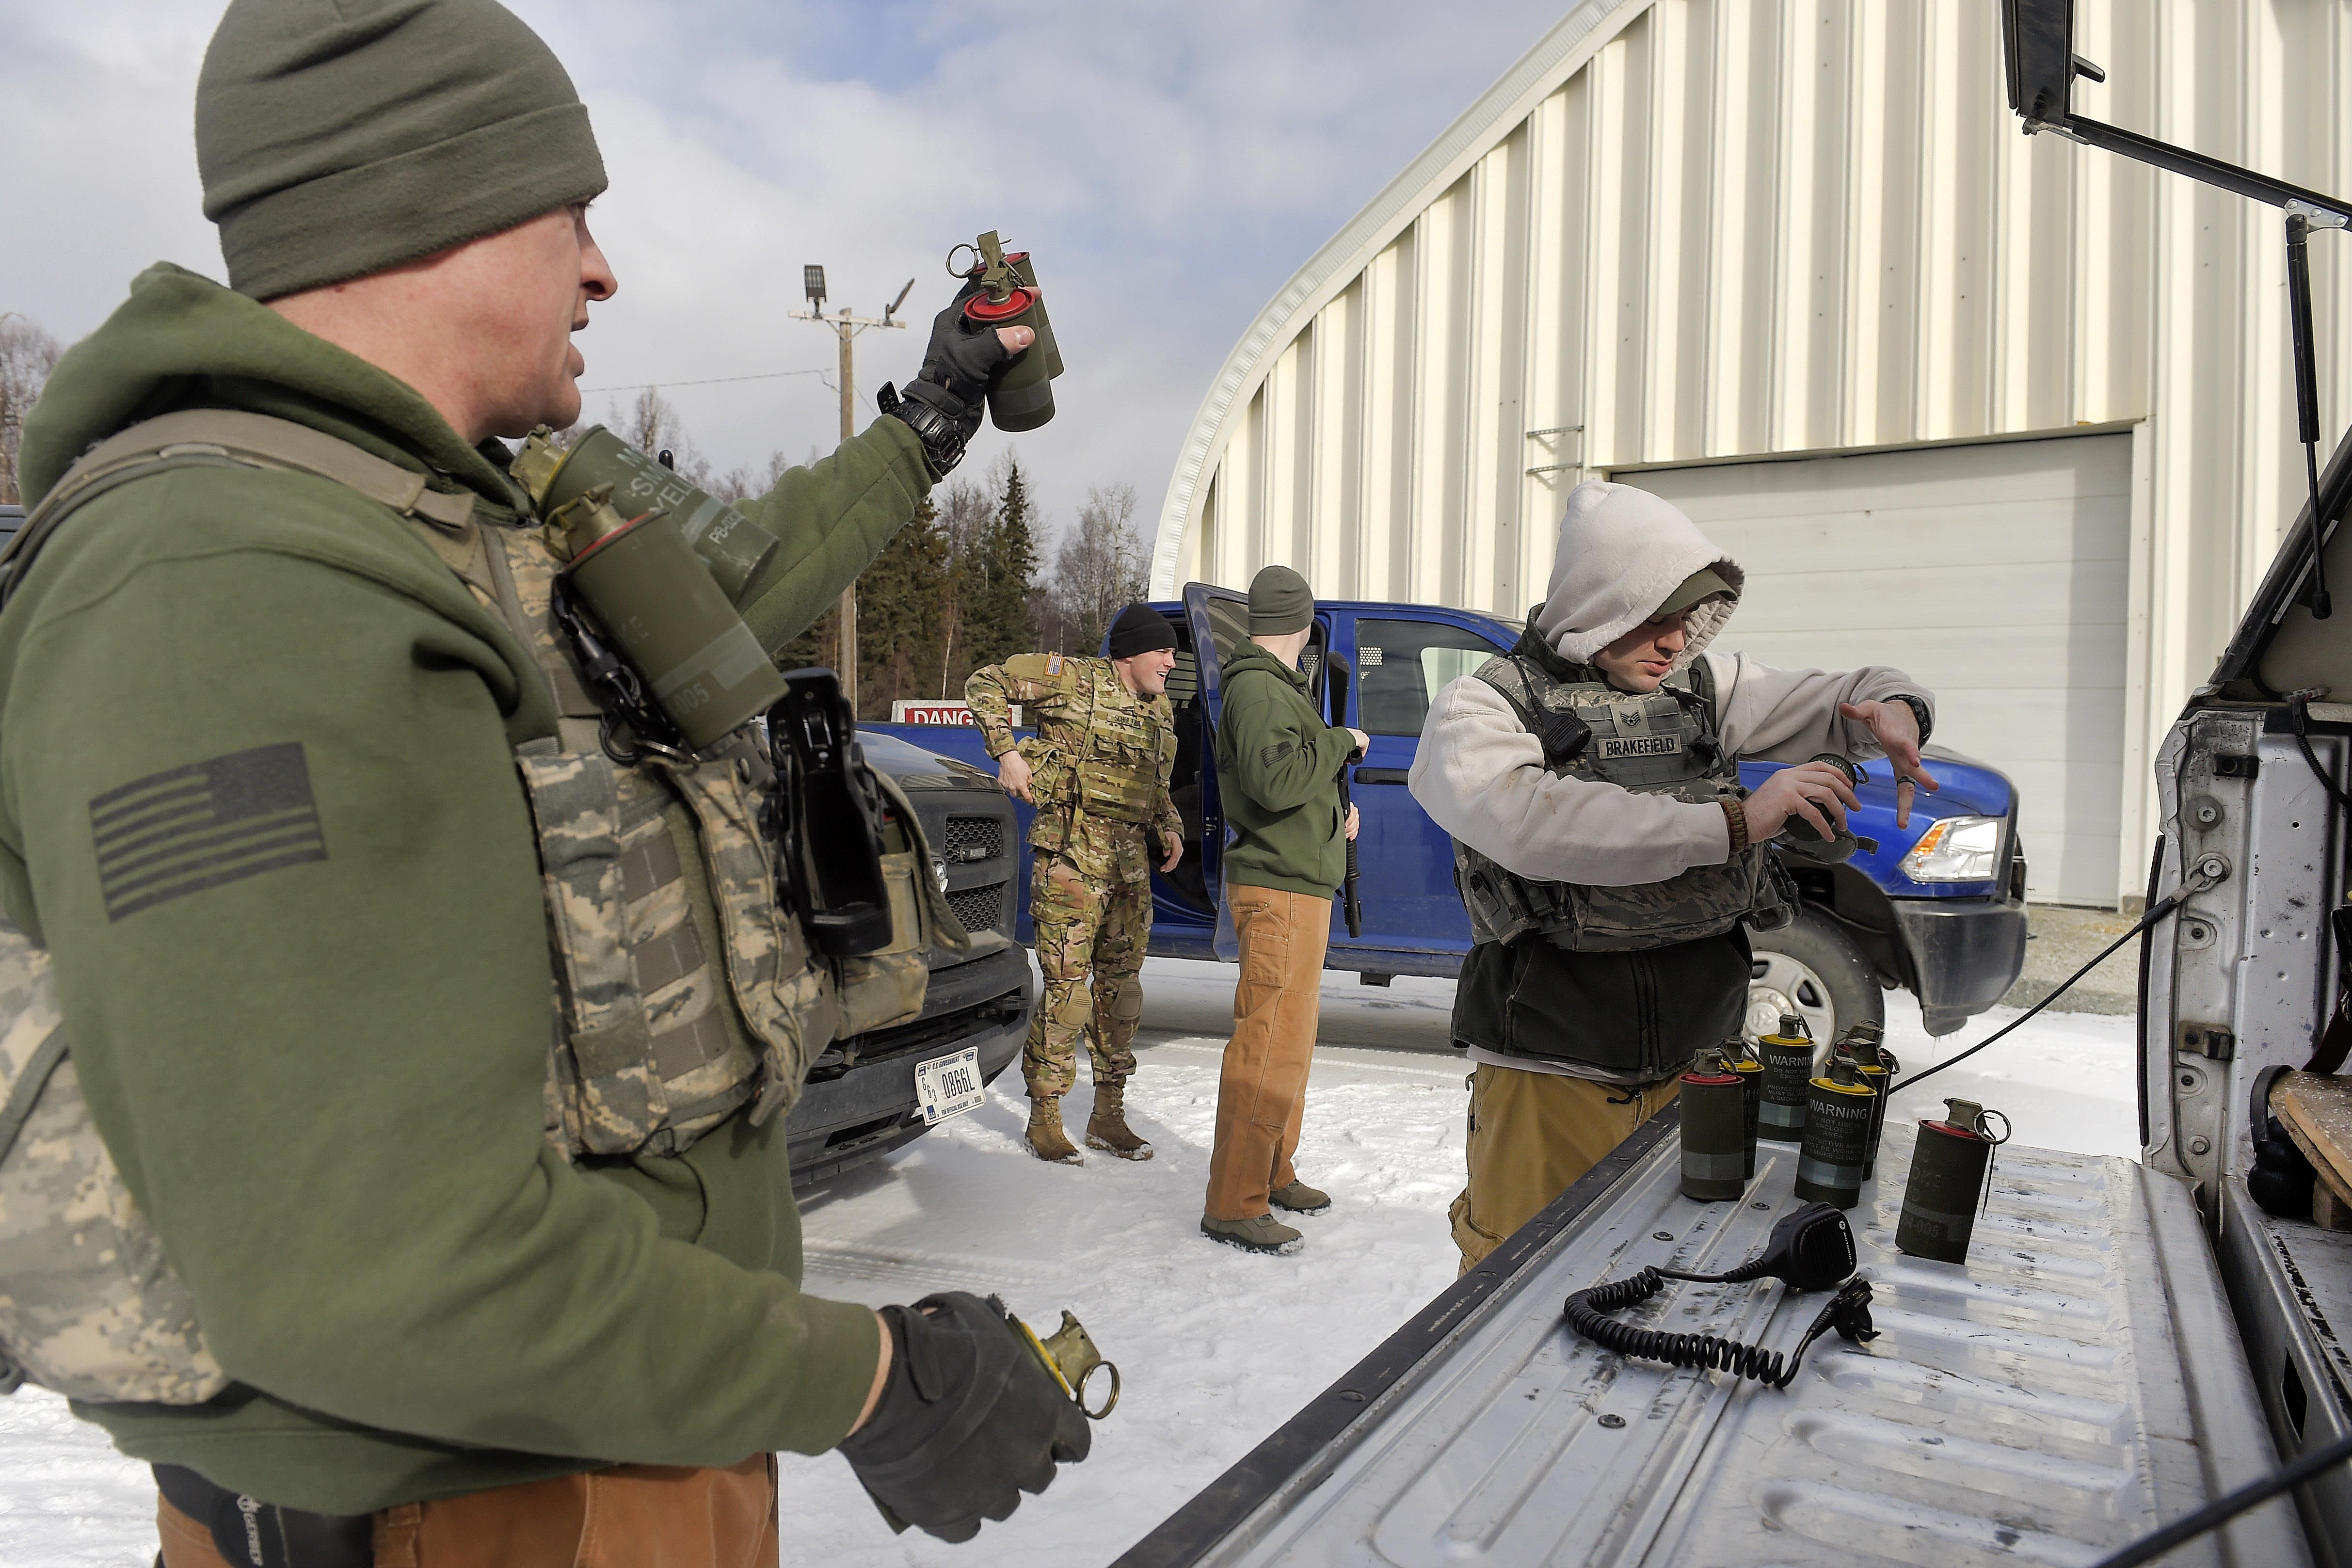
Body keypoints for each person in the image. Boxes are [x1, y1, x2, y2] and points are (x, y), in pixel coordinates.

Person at [0, 0, 1084, 1559]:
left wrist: (932, 415)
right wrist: (873, 1378)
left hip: (620, 1433)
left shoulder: (464, 515)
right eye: (571, 218)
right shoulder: (222, 584)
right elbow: (367, 1263)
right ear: (426, 205)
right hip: (463, 1497)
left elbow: (729, 590)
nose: (601, 270)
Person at [1409, 480, 1937, 1271]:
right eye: (1652, 616)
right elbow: (1534, 823)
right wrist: (1736, 821)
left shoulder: (1701, 689)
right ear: (1599, 601)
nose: (1672, 640)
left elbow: (1841, 697)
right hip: (1553, 1071)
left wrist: (1893, 703)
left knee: (1673, 1272)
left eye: (1686, 618)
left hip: (1704, 1069)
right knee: (1517, 1283)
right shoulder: (1480, 708)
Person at [964, 605, 1185, 1163]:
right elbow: (985, 682)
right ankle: (1045, 1116)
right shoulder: (1072, 680)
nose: (1171, 661)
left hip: (1129, 871)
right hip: (1071, 859)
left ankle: (1108, 1114)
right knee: (1068, 995)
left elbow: (1156, 786)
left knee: (1122, 995)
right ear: (1131, 652)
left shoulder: (1160, 711)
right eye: (1163, 651)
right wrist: (1008, 752)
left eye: (1174, 653)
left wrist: (1170, 826)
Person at [1200, 566, 1365, 1255]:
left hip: (1297, 885)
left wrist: (1335, 813)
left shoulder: (1271, 687)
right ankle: (1234, 1202)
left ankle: (1271, 1172)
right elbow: (1272, 781)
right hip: (1279, 892)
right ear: (1299, 626)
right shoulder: (1261, 689)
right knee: (1266, 1045)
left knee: (1287, 1042)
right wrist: (1341, 743)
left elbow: (1285, 784)